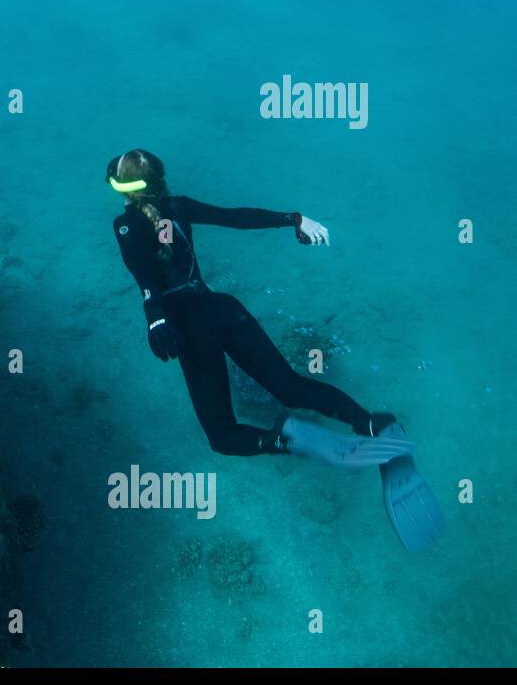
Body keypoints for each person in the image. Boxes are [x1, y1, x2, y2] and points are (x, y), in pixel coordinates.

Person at [106, 149, 443, 550]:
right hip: (224, 310)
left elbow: (144, 274)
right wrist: (295, 219)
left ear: (122, 189)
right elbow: (236, 217)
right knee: (293, 387)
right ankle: (372, 423)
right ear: (161, 182)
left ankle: (283, 437)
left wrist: (156, 316)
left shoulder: (126, 225)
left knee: (222, 437)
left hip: (191, 331)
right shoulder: (178, 205)